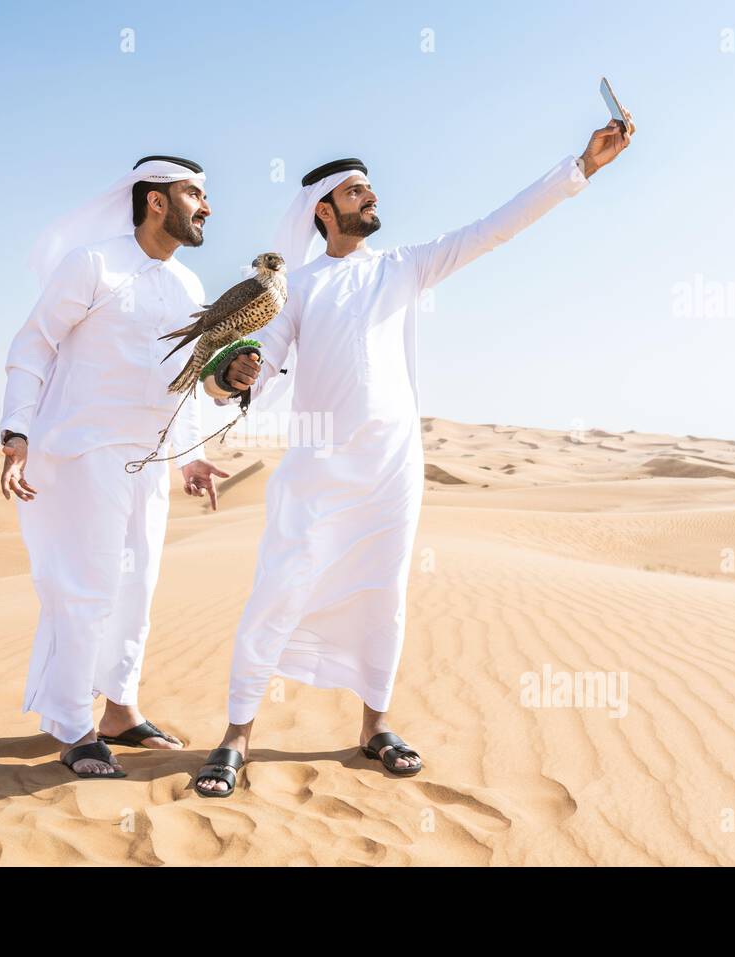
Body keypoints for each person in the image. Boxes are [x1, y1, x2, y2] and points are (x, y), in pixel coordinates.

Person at [193, 120, 634, 797]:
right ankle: (237, 735)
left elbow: (494, 227)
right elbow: (260, 364)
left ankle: (374, 726)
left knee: (383, 593)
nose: (369, 197)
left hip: (392, 470)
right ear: (324, 209)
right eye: (355, 190)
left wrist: (580, 168)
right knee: (279, 589)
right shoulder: (298, 287)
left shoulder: (405, 266)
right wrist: (233, 376)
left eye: (370, 188)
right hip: (318, 469)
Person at [0, 155, 230, 779]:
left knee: (137, 588)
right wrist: (16, 429)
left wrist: (192, 456)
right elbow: (34, 343)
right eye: (194, 194)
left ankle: (120, 711)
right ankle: (74, 727)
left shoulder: (189, 287)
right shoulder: (93, 264)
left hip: (146, 460)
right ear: (156, 201)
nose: (207, 207)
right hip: (80, 451)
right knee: (87, 586)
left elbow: (179, 381)